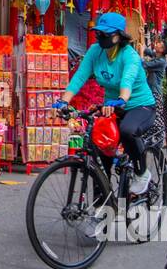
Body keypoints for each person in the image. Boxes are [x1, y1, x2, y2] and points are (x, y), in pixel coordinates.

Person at [63, 12, 156, 194]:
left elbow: (127, 80)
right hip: (112, 107)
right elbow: (80, 76)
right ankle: (102, 203)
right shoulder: (95, 51)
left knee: (128, 131)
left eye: (106, 34)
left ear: (118, 36)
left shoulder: (129, 55)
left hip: (139, 105)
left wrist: (121, 99)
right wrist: (63, 101)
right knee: (99, 148)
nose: (101, 38)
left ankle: (141, 172)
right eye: (99, 34)